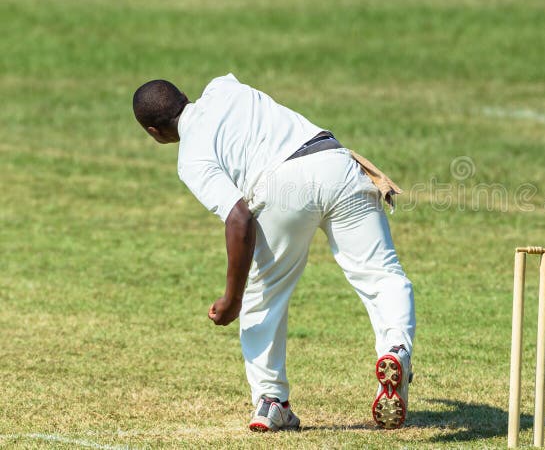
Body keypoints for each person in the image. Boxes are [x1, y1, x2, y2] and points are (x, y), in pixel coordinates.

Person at [132, 73, 416, 431]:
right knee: (381, 274)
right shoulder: (223, 86)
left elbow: (239, 217)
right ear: (185, 96)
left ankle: (271, 401)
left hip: (282, 186)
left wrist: (232, 298)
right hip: (335, 160)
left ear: (154, 133)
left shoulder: (190, 159)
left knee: (263, 297)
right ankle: (396, 350)